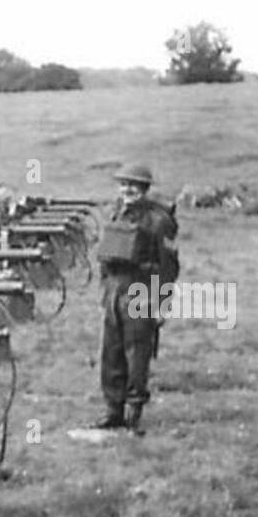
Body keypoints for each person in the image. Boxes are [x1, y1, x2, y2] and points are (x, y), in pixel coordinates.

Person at [90, 163, 180, 434]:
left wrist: (161, 303)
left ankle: (133, 413)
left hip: (141, 289)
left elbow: (168, 267)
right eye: (123, 184)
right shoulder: (116, 213)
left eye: (133, 185)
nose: (127, 190)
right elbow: (106, 256)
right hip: (114, 292)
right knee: (111, 353)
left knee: (136, 354)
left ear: (144, 189)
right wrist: (105, 290)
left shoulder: (158, 221)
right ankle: (112, 411)